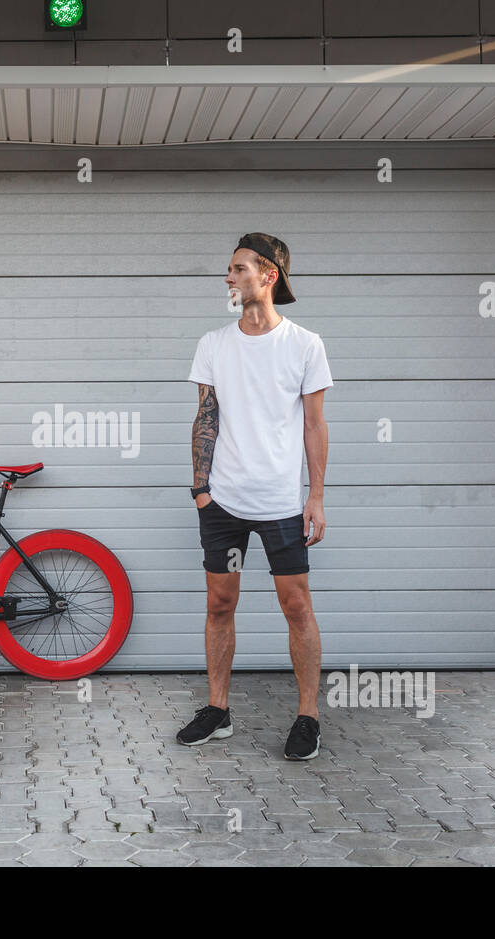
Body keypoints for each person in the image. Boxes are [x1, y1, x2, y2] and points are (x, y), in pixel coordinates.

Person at [180, 232, 333, 760]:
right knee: (220, 602)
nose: (228, 277)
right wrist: (201, 489)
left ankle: (308, 717)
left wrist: (315, 496)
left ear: (268, 276)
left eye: (238, 268)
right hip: (222, 502)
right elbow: (206, 417)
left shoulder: (305, 345)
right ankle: (218, 710)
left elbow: (315, 426)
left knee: (296, 606)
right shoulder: (214, 343)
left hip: (282, 505)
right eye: (229, 269)